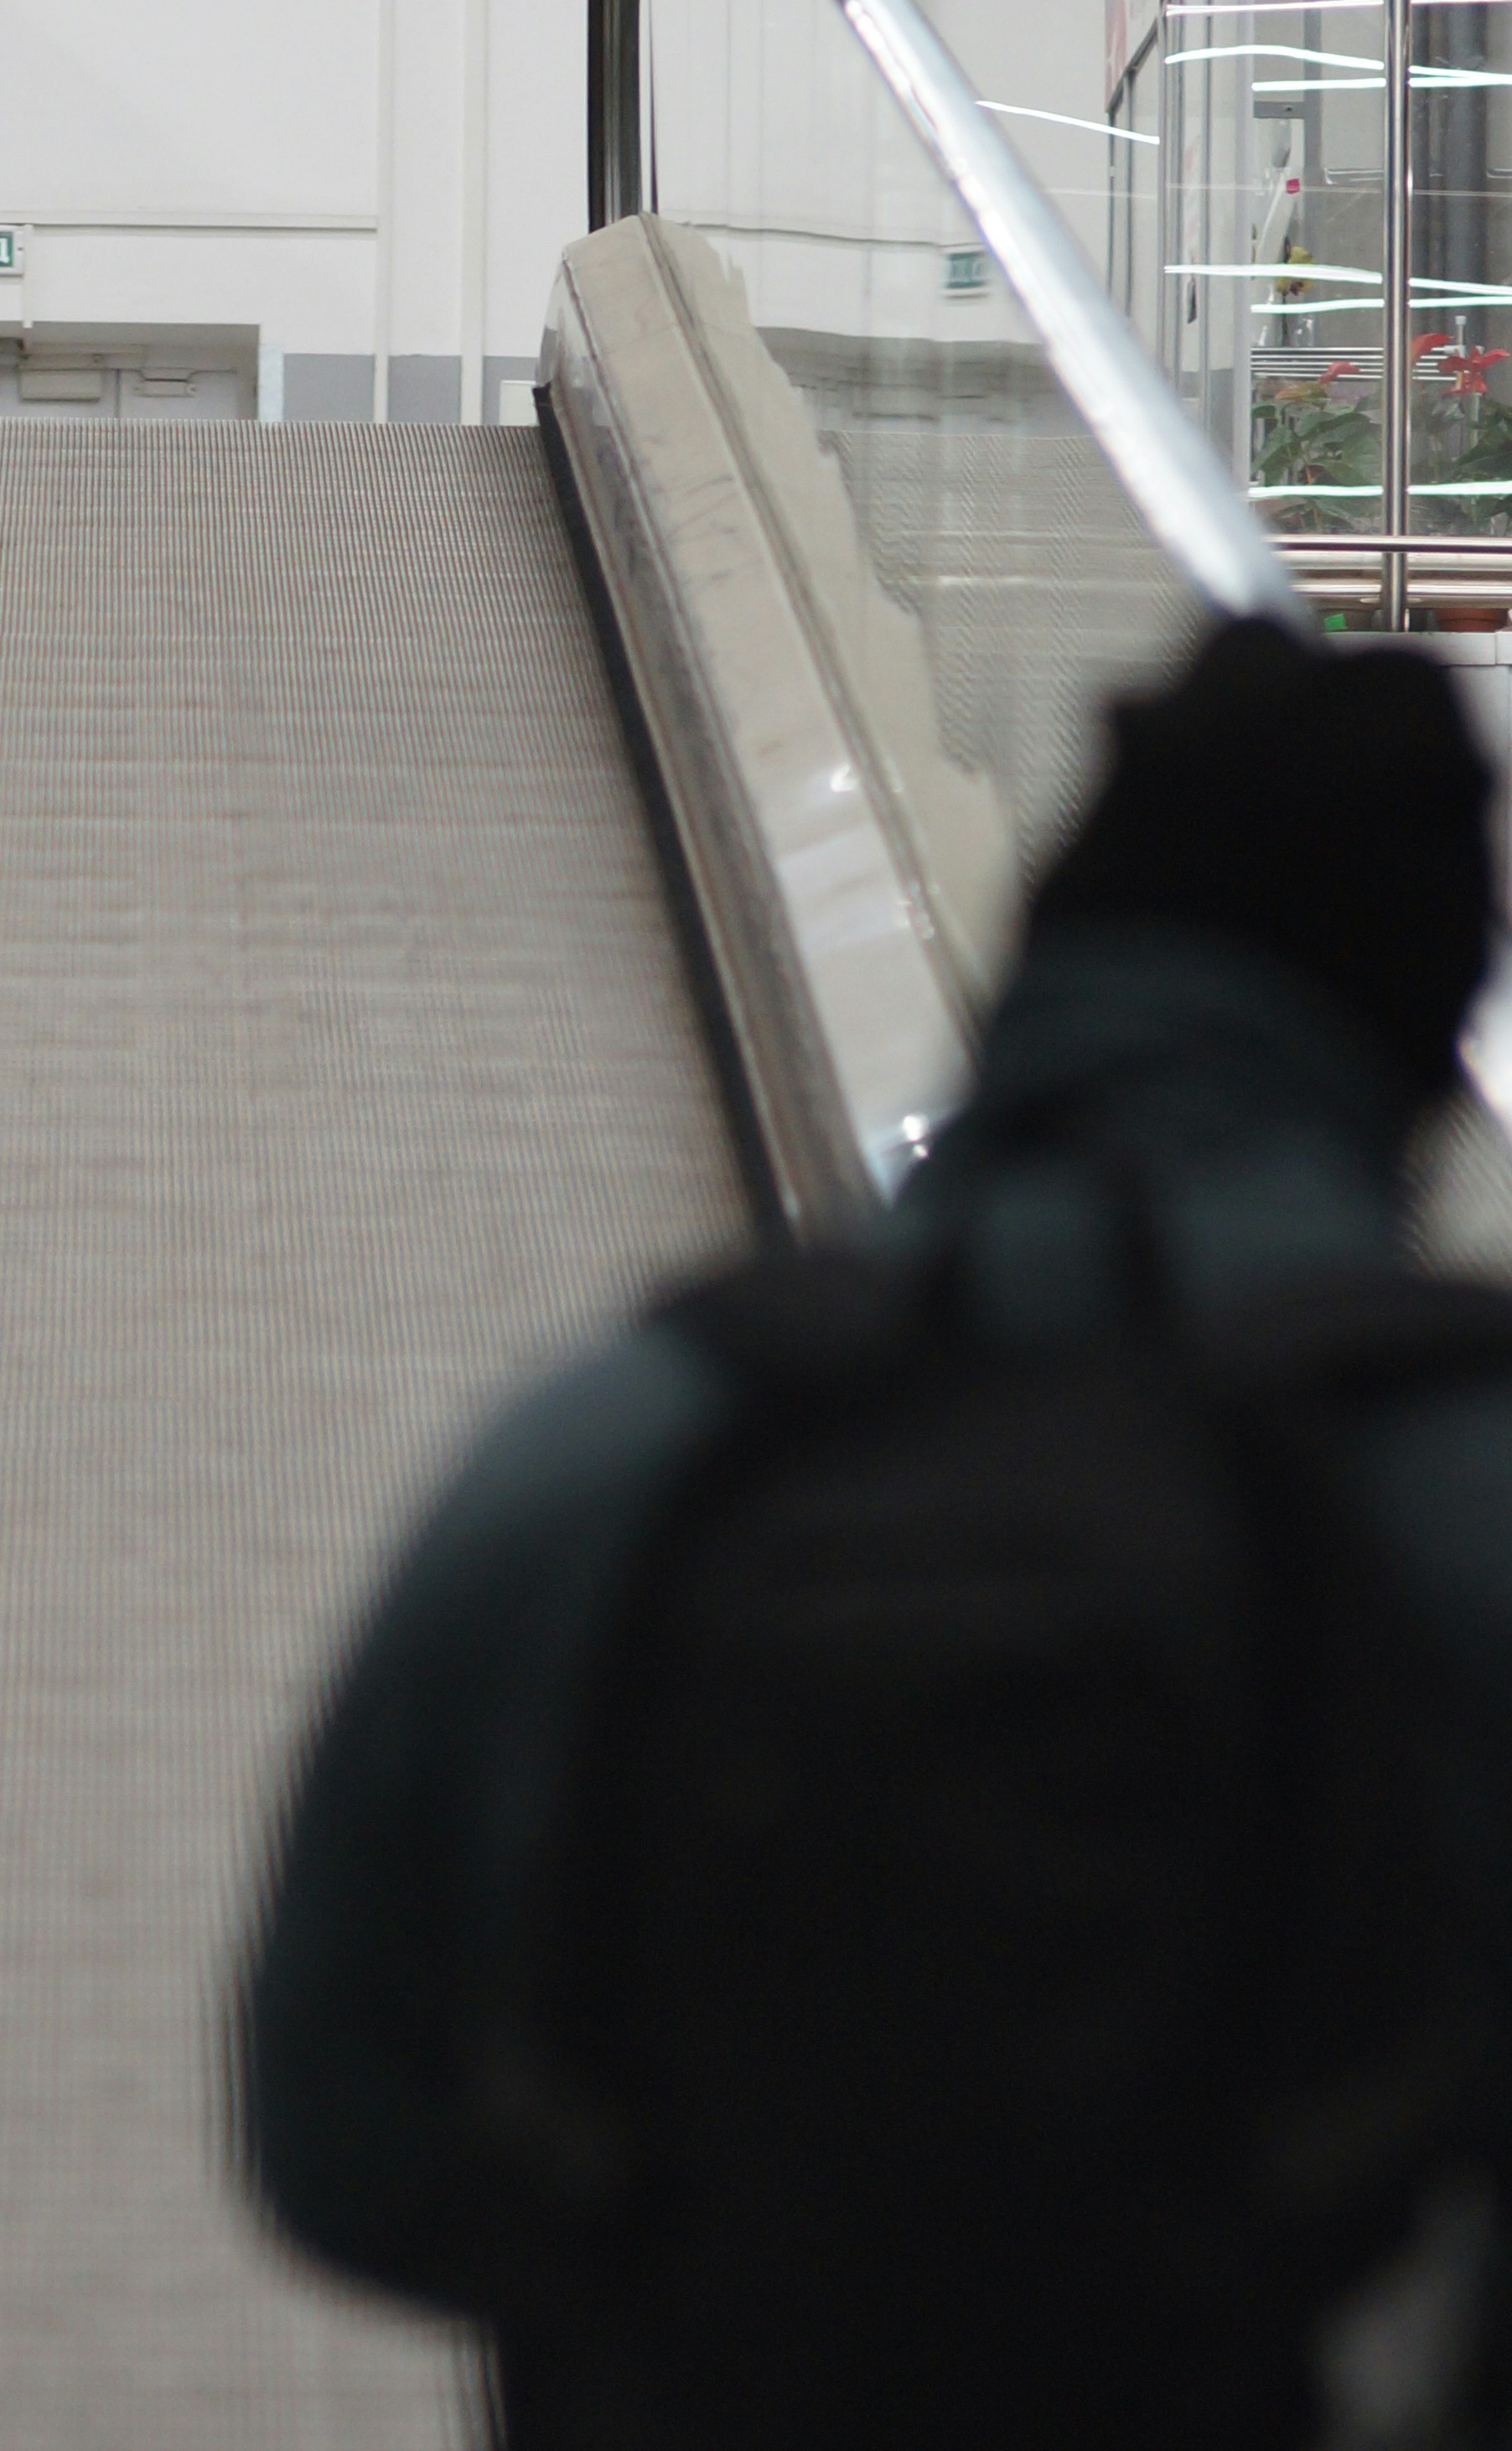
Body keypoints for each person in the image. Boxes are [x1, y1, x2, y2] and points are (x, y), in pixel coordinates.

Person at [237, 620, 1512, 2451]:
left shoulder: (632, 1438)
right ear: (1412, 1048)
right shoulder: (1463, 1499)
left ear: (1042, 960)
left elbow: (339, 2141)